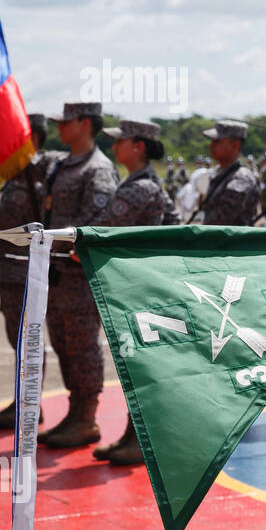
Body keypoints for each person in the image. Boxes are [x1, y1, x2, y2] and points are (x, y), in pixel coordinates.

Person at [87, 119, 180, 464]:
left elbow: (104, 229)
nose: (114, 147)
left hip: (139, 287)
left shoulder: (140, 188)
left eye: (120, 141)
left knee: (140, 364)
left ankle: (142, 440)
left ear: (138, 146)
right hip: (137, 283)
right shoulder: (140, 182)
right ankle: (136, 436)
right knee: (137, 362)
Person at [37, 102, 120, 448]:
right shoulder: (61, 165)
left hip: (79, 274)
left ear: (85, 124)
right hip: (56, 273)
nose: (60, 127)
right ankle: (74, 413)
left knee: (83, 346)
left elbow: (96, 224)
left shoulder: (98, 169)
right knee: (63, 344)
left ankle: (86, 417)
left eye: (66, 122)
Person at [0, 113, 50, 427]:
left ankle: (29, 407)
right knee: (21, 341)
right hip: (15, 267)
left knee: (26, 340)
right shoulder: (26, 171)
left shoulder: (28, 173)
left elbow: (11, 213)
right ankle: (27, 405)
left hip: (19, 269)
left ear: (31, 137)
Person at [194, 120, 260, 226]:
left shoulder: (241, 178)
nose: (211, 145)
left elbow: (219, 222)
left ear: (235, 145)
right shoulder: (219, 172)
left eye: (217, 141)